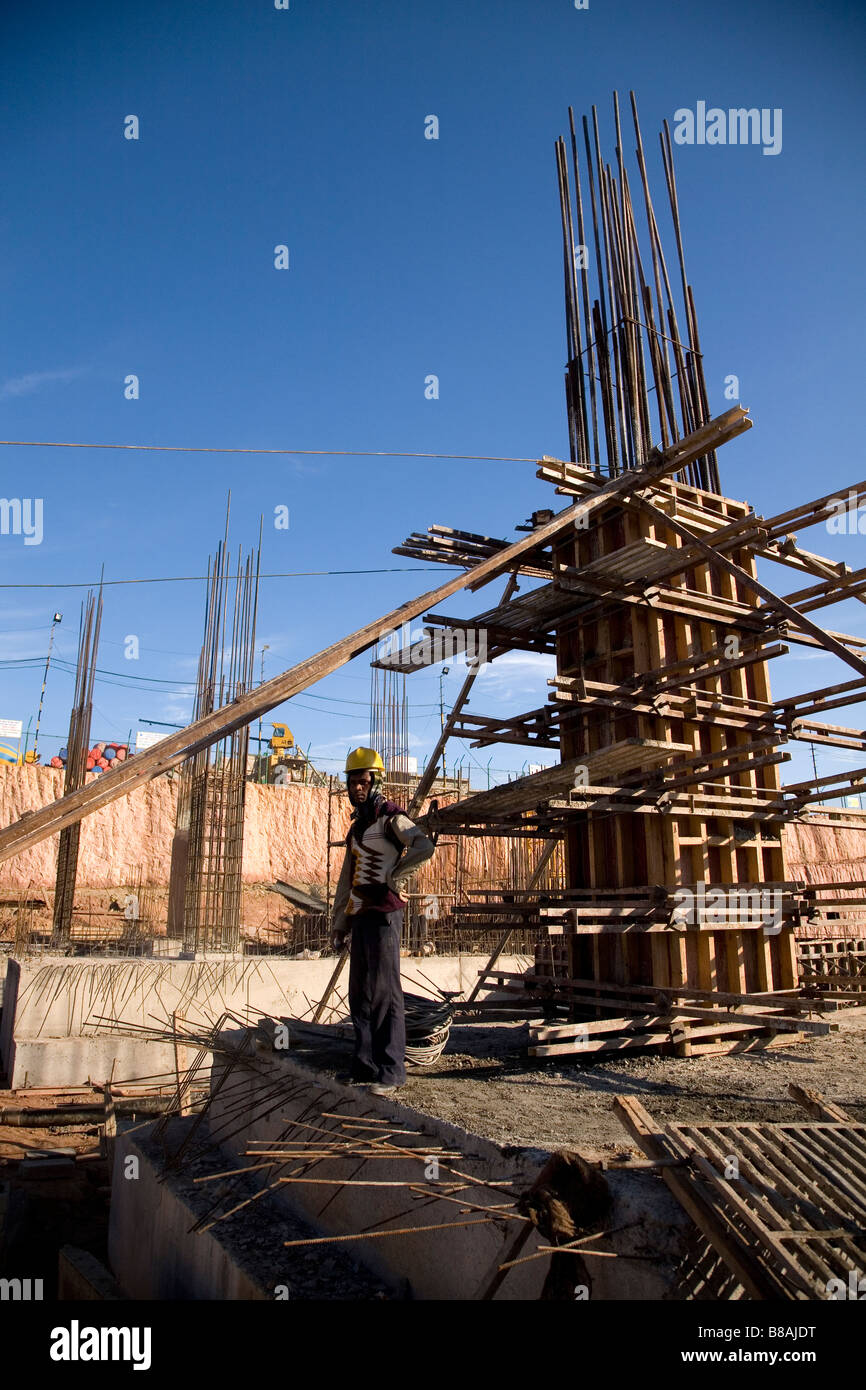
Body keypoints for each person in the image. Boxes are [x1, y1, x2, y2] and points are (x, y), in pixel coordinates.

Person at [331, 748, 435, 1096]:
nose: (358, 788)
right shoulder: (357, 827)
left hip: (385, 913)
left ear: (376, 782)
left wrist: (397, 879)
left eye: (364, 781)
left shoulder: (392, 817)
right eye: (353, 782)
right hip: (360, 914)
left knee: (387, 992)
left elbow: (423, 846)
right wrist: (339, 924)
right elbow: (347, 879)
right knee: (359, 992)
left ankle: (391, 1071)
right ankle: (364, 1065)